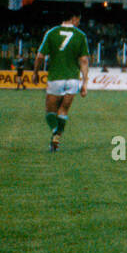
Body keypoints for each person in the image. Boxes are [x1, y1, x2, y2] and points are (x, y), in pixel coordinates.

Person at [32, 9, 90, 152]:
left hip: (56, 78)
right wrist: (85, 84)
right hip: (72, 80)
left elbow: (40, 57)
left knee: (50, 112)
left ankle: (55, 131)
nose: (79, 22)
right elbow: (84, 61)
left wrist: (35, 73)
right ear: (74, 18)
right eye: (79, 19)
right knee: (63, 110)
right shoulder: (81, 35)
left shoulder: (51, 33)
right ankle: (57, 137)